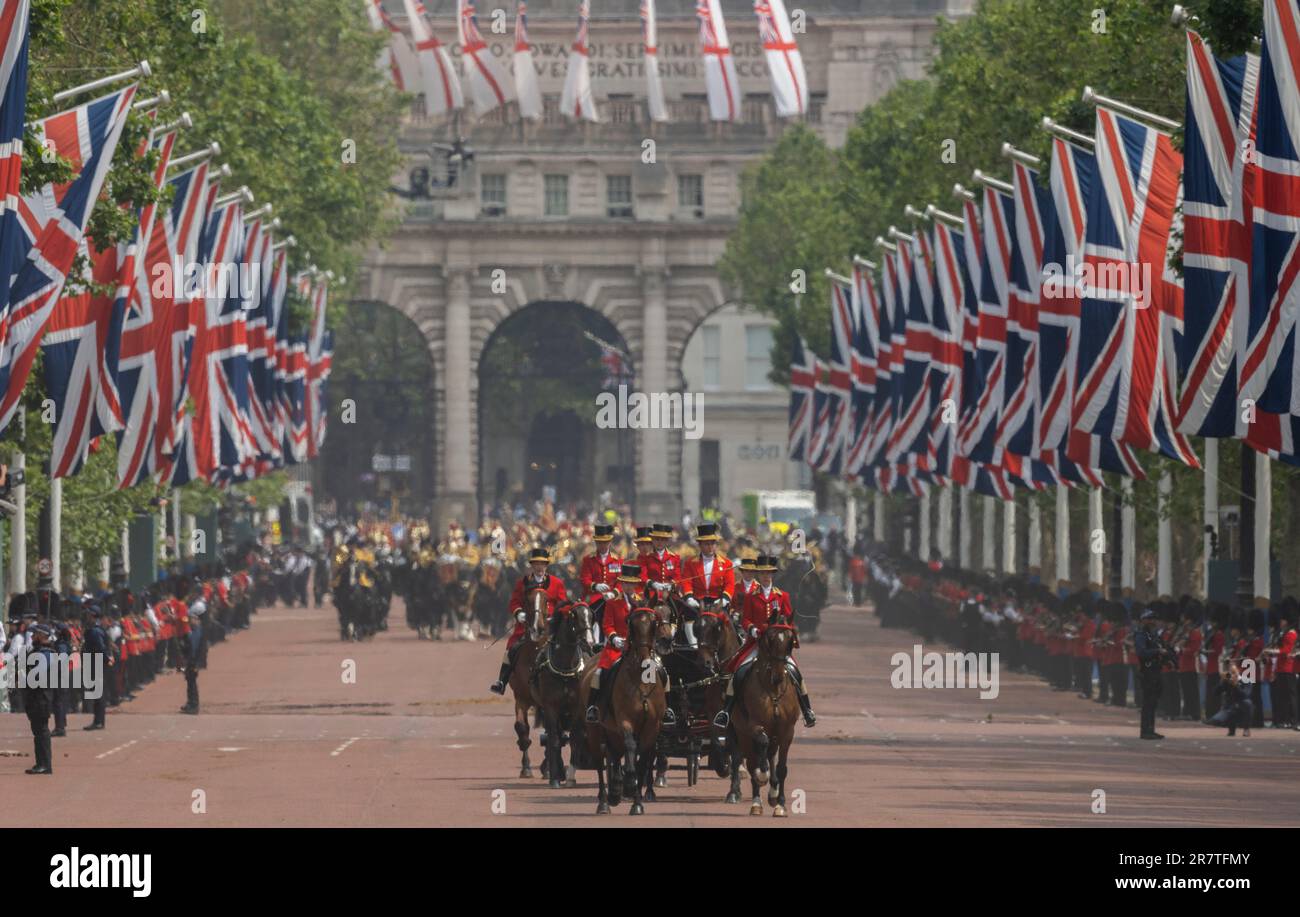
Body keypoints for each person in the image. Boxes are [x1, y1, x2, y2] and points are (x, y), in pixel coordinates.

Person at [713, 554, 815, 729]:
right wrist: (752, 628)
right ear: (758, 575)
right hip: (757, 643)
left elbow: (789, 620)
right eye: (762, 573)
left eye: (769, 573)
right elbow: (746, 619)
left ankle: (807, 710)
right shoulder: (752, 596)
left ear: (773, 575)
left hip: (777, 647)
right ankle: (726, 712)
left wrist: (785, 632)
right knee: (738, 672)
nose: (766, 577)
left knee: (796, 672)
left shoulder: (782, 596)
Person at [489, 547, 566, 694]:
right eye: (536, 564)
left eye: (542, 564)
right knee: (511, 648)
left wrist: (555, 616)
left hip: (550, 626)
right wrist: (519, 613)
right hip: (527, 626)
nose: (539, 567)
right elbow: (514, 602)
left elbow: (562, 603)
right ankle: (502, 681)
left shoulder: (557, 583)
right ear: (532, 565)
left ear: (546, 565)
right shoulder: (522, 583)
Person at [584, 562, 650, 724]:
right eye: (625, 583)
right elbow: (607, 624)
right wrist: (614, 638)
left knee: (657, 670)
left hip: (638, 648)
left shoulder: (642, 602)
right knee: (600, 674)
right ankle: (593, 707)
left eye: (631, 583)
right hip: (616, 648)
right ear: (622, 584)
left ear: (635, 584)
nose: (628, 586)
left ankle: (664, 708)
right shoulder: (613, 602)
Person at [679, 522, 735, 648]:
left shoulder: (726, 563)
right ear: (700, 545)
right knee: (688, 615)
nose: (710, 547)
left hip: (717, 602)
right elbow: (686, 581)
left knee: (729, 621)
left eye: (712, 543)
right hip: (698, 602)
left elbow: (730, 584)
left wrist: (724, 599)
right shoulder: (690, 563)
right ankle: (693, 645)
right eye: (706, 544)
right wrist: (689, 597)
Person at [22, 623, 56, 774]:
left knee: (41, 730)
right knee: (37, 731)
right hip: (35, 696)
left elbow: (38, 674)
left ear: (41, 635)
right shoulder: (38, 651)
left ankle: (45, 764)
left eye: (34, 633)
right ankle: (40, 763)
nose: (31, 636)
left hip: (41, 696)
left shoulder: (46, 653)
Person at [1134, 609, 1171, 740]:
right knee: (1148, 702)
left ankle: (1151, 729)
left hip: (1156, 670)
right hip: (1147, 671)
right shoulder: (1141, 635)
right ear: (1144, 620)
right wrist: (1157, 651)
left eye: (1153, 619)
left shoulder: (1153, 635)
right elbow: (1142, 653)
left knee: (1153, 702)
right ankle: (1145, 730)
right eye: (1150, 619)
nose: (1152, 622)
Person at [81, 606, 112, 730]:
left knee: (98, 693)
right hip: (95, 662)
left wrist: (106, 659)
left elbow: (100, 647)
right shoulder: (96, 629)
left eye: (89, 615)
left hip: (96, 662)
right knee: (97, 693)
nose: (87, 617)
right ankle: (98, 720)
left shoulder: (95, 631)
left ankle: (98, 721)